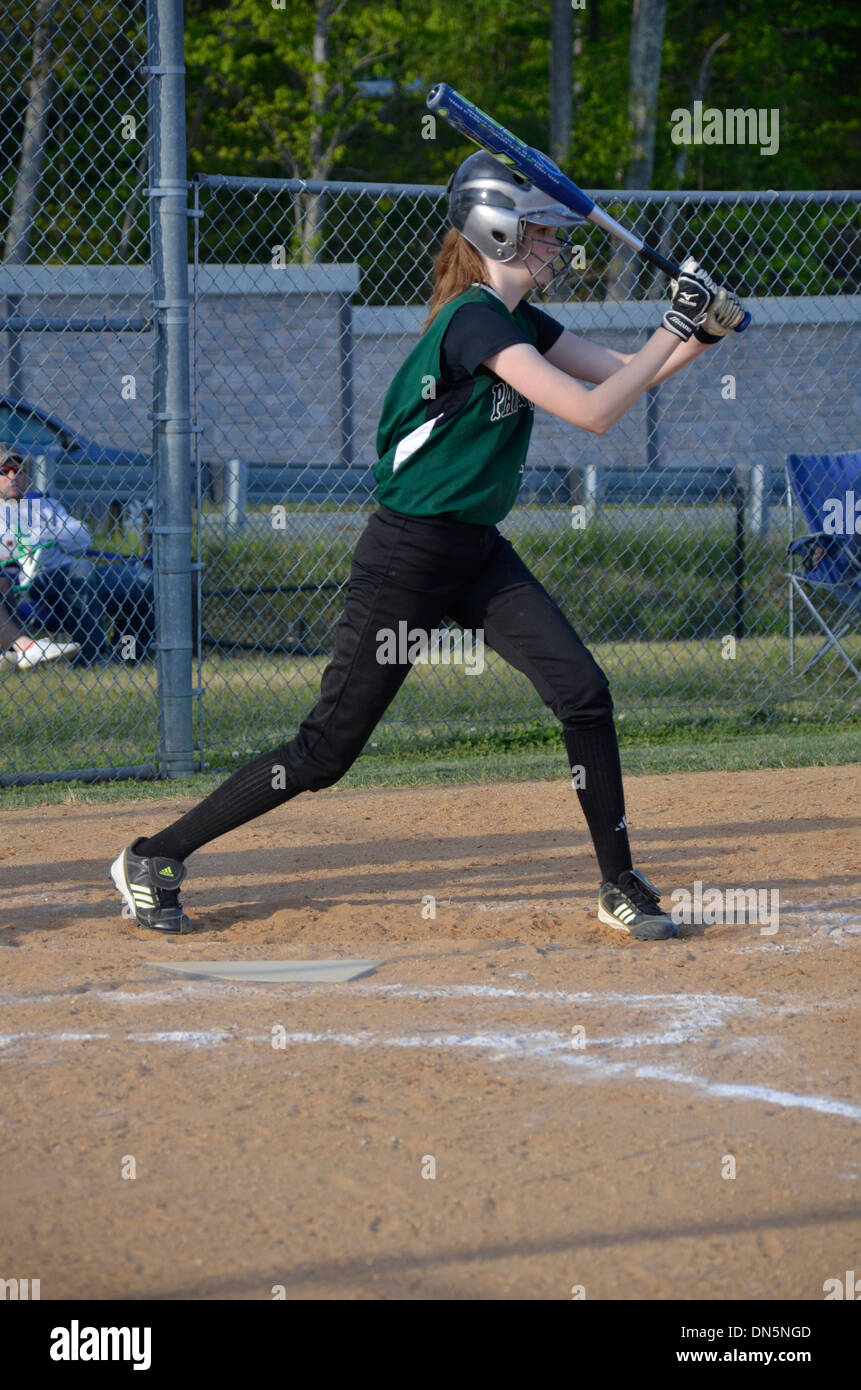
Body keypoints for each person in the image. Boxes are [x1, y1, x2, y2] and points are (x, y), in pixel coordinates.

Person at [110, 150, 746, 940]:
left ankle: (619, 882)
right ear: (497, 230)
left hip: (474, 552)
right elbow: (593, 414)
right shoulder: (474, 321)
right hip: (406, 559)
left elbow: (622, 373)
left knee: (582, 690)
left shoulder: (519, 322)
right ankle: (153, 855)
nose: (556, 245)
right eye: (542, 231)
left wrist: (701, 337)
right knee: (324, 751)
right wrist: (674, 325)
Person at [0, 446, 153, 667]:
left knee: (145, 582)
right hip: (31, 584)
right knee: (81, 569)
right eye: (5, 470)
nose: (13, 477)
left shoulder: (44, 504)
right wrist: (48, 535)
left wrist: (43, 533)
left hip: (75, 574)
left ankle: (127, 655)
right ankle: (91, 656)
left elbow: (82, 537)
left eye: (19, 469)